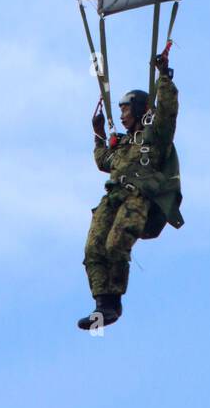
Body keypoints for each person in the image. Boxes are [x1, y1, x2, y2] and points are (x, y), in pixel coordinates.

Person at [78, 49, 183, 330]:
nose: (122, 114)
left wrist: (164, 77)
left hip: (138, 199)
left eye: (126, 109)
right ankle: (103, 306)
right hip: (112, 198)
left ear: (138, 109)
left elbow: (168, 112)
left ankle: (116, 301)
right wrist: (99, 134)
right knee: (93, 248)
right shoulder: (123, 145)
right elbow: (104, 161)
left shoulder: (154, 138)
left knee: (116, 243)